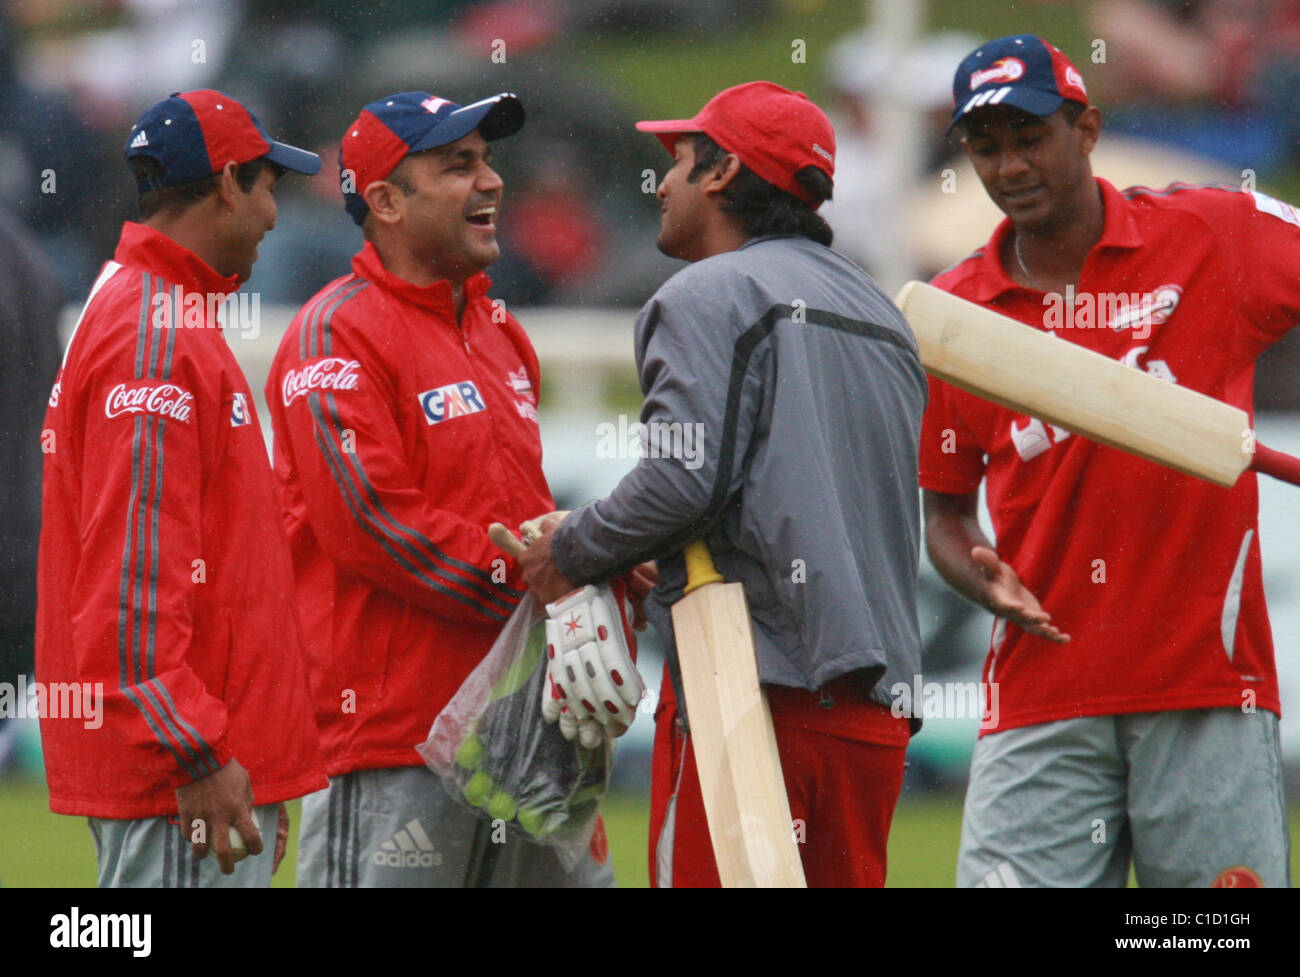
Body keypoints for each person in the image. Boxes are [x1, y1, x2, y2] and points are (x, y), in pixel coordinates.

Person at [515, 81, 928, 888]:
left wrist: (574, 548)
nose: (661, 185)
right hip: (873, 713)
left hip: (750, 689)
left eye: (676, 162)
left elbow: (680, 481)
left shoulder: (707, 291)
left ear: (723, 171)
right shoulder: (883, 313)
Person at [923, 34, 1295, 887]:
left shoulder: (1215, 232)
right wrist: (977, 574)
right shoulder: (954, 316)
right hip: (1041, 694)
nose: (1010, 165)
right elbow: (943, 513)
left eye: (1030, 137)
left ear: (1086, 129)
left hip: (1206, 683)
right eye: (986, 147)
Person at [265, 91, 613, 888]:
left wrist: (605, 566)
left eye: (487, 161)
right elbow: (374, 524)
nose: (491, 181)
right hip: (393, 741)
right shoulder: (334, 333)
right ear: (385, 200)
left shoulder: (498, 328)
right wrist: (546, 581)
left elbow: (529, 515)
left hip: (527, 736)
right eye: (459, 165)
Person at [36, 89, 327, 887]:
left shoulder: (149, 310)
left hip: (182, 762)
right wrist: (195, 749)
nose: (274, 214)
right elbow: (131, 574)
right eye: (268, 186)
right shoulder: (156, 335)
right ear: (229, 183)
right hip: (178, 776)